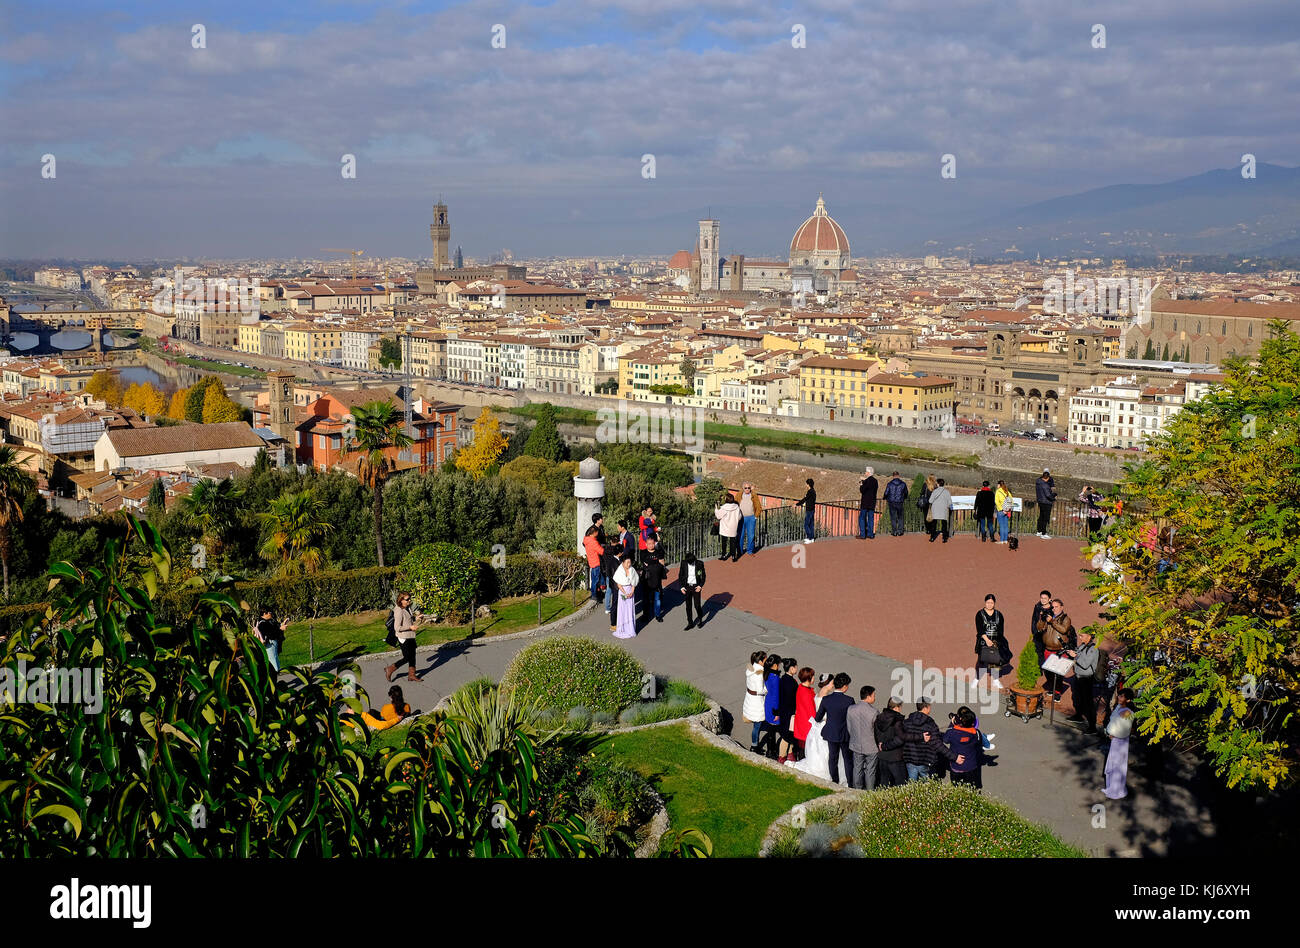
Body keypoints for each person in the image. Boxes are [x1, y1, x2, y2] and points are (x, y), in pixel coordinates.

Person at [786, 673, 834, 780]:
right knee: (824, 750)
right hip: (823, 724)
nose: (833, 685)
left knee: (819, 749)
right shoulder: (825, 697)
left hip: (818, 726)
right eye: (832, 683)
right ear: (827, 683)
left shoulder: (818, 694)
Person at [814, 672, 855, 785]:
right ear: (845, 686)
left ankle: (835, 780)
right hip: (845, 733)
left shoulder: (826, 699)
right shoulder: (849, 700)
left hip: (831, 732)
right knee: (848, 759)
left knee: (833, 758)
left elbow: (818, 718)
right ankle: (850, 783)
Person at [1103, 688, 1136, 799]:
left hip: (1120, 741)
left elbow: (1125, 729)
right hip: (1116, 739)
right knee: (1114, 763)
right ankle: (1112, 786)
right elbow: (1114, 722)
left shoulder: (1127, 712)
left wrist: (1112, 733)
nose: (1119, 697)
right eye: (1119, 695)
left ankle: (1116, 789)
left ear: (1128, 700)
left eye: (1122, 696)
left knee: (1117, 764)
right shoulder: (1119, 707)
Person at [1066, 628, 1100, 733]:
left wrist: (1075, 656)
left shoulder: (1093, 649)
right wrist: (1071, 652)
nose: (1080, 638)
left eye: (1082, 636)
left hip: (1086, 679)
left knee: (1088, 702)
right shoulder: (1082, 646)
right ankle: (1078, 715)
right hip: (1078, 676)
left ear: (1089, 636)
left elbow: (1085, 664)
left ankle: (1092, 726)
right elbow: (1078, 654)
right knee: (1077, 698)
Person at [845, 685, 879, 789]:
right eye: (873, 695)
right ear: (868, 696)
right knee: (870, 771)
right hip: (871, 746)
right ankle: (869, 792)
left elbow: (849, 727)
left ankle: (857, 790)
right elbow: (876, 731)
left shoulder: (851, 709)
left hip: (856, 744)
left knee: (857, 769)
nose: (875, 698)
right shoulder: (874, 712)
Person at [902, 699, 945, 781]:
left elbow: (903, 737)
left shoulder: (907, 722)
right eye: (929, 707)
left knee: (912, 784)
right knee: (927, 784)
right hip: (924, 760)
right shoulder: (930, 724)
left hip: (910, 758)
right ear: (926, 708)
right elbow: (937, 743)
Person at [1042, 597, 1075, 700]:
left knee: (1058, 673)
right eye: (1053, 607)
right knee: (1048, 671)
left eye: (1056, 607)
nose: (1054, 609)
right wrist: (1041, 619)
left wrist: (1052, 622)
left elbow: (1064, 630)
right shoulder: (1049, 617)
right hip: (1048, 649)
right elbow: (1040, 628)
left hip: (1059, 650)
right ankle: (1052, 688)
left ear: (1062, 607)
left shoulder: (1066, 619)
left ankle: (1057, 692)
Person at [943, 706, 984, 789]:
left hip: (956, 766)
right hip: (970, 766)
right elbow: (979, 743)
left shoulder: (952, 732)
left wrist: (952, 724)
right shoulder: (976, 733)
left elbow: (945, 739)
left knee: (956, 787)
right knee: (970, 788)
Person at [384, 592, 421, 683]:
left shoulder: (407, 607)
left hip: (410, 636)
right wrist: (410, 627)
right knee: (407, 657)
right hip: (403, 637)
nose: (409, 600)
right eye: (407, 599)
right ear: (401, 600)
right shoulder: (398, 611)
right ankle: (390, 668)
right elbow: (397, 628)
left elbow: (408, 619)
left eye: (409, 599)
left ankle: (412, 675)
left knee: (412, 656)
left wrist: (416, 618)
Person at [341, 685, 411, 732]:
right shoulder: (363, 716)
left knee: (372, 712)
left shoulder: (341, 718)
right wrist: (397, 719)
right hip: (388, 721)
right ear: (358, 700)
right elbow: (381, 726)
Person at [975, 593, 1008, 690]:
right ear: (985, 603)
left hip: (995, 642)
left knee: (995, 662)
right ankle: (977, 678)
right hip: (983, 642)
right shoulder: (979, 614)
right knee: (981, 661)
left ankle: (995, 680)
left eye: (992, 603)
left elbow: (1001, 630)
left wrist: (995, 642)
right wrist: (987, 640)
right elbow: (980, 629)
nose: (989, 604)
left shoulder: (999, 615)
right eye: (988, 602)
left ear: (994, 603)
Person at [874, 696, 908, 787]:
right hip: (895, 758)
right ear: (896, 707)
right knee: (900, 784)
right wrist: (885, 746)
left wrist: (880, 744)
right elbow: (900, 740)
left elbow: (876, 734)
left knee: (884, 783)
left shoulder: (879, 717)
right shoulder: (898, 721)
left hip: (882, 756)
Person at [743, 651, 768, 754]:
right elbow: (760, 690)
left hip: (749, 698)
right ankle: (754, 747)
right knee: (757, 726)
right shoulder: (759, 674)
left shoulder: (751, 668)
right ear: (761, 661)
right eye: (765, 660)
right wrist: (767, 690)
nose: (766, 662)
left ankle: (755, 745)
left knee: (756, 724)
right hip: (756, 701)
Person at [638, 535, 666, 623]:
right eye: (649, 544)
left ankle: (657, 615)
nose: (651, 545)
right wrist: (656, 562)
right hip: (646, 579)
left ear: (655, 543)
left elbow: (662, 564)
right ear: (646, 544)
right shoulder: (643, 553)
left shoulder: (659, 552)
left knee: (657, 599)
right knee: (645, 598)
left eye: (652, 543)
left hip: (657, 579)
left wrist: (651, 563)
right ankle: (645, 615)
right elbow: (645, 563)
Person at [760, 654, 784, 758]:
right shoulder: (775, 679)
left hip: (768, 704)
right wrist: (777, 712)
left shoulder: (767, 674)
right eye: (778, 664)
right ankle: (771, 751)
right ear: (774, 665)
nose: (779, 666)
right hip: (774, 706)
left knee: (770, 730)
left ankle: (771, 750)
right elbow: (776, 697)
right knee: (773, 731)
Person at [791, 667, 817, 760]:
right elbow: (812, 712)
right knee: (805, 749)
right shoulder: (807, 693)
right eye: (813, 676)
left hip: (801, 721)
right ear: (808, 678)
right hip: (806, 724)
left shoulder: (801, 687)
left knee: (801, 747)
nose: (814, 678)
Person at [777, 657, 800, 763]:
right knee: (787, 736)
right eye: (795, 667)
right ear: (791, 668)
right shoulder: (792, 683)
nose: (797, 668)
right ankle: (782, 756)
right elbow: (793, 699)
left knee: (789, 734)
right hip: (790, 713)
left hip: (783, 711)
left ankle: (790, 753)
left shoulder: (783, 679)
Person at [676, 551, 706, 629]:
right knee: (688, 606)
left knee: (697, 605)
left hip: (696, 587)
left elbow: (703, 576)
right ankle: (690, 623)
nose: (689, 564)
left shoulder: (700, 564)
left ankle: (700, 620)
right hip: (687, 587)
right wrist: (681, 587)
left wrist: (700, 586)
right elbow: (680, 575)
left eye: (690, 562)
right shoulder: (683, 563)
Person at [612, 554, 639, 640]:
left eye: (630, 562)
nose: (629, 564)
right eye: (627, 562)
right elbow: (619, 585)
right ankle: (622, 628)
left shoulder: (632, 570)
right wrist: (625, 593)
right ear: (623, 563)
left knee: (630, 609)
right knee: (623, 610)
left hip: (630, 591)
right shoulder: (619, 571)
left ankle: (630, 628)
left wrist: (632, 591)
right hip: (623, 593)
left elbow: (634, 582)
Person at [255, 606, 288, 673]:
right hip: (269, 645)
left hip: (272, 644)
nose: (271, 614)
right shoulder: (262, 623)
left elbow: (274, 628)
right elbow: (271, 634)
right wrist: (280, 629)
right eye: (270, 612)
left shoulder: (268, 621)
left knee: (274, 658)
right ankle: (274, 677)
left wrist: (282, 625)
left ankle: (276, 675)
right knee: (272, 660)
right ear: (264, 613)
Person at [714, 492, 742, 562]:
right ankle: (733, 556)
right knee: (733, 542)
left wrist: (716, 509)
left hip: (725, 527)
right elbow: (739, 517)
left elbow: (718, 516)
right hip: (733, 527)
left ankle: (724, 556)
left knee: (724, 542)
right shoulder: (737, 507)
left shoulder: (724, 508)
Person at [738, 483, 763, 557]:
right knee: (740, 535)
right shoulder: (739, 495)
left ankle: (750, 551)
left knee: (751, 535)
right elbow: (735, 504)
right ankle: (740, 551)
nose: (747, 489)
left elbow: (759, 507)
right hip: (741, 518)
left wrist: (755, 516)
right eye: (745, 488)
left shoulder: (754, 496)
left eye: (749, 488)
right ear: (743, 488)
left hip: (751, 518)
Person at [582, 525, 606, 603]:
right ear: (594, 533)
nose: (598, 533)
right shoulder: (593, 542)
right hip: (596, 562)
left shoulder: (586, 540)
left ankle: (594, 593)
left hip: (591, 562)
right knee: (595, 580)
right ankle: (594, 595)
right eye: (597, 532)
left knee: (593, 579)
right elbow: (601, 551)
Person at [1031, 589, 1053, 667]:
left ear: (1049, 599)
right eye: (1041, 598)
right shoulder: (1037, 607)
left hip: (1049, 635)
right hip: (1038, 634)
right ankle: (1041, 668)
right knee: (1038, 652)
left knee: (1048, 652)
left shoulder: (1053, 609)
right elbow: (1034, 620)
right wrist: (1034, 631)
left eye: (1045, 598)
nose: (1043, 600)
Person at [927, 477, 952, 543]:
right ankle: (944, 538)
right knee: (944, 525)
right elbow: (950, 502)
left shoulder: (935, 491)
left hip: (935, 510)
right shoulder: (947, 492)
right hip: (943, 510)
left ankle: (932, 537)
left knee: (934, 525)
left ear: (938, 484)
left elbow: (930, 501)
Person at [883, 471, 909, 536]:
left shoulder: (889, 484)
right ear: (898, 475)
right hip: (900, 502)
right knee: (900, 517)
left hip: (891, 502)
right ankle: (900, 531)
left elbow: (886, 493)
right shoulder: (903, 484)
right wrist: (904, 498)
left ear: (893, 476)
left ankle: (894, 531)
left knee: (893, 517)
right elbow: (906, 493)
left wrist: (884, 498)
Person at [858, 467, 878, 539]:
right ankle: (870, 534)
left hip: (865, 502)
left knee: (862, 518)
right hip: (872, 502)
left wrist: (861, 484)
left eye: (866, 472)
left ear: (869, 473)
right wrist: (864, 481)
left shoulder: (866, 481)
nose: (865, 473)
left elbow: (862, 490)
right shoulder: (875, 481)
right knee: (871, 518)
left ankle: (863, 535)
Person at [1035, 469, 1057, 538]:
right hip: (1046, 502)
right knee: (1045, 518)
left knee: (1041, 516)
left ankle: (1039, 531)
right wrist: (1054, 495)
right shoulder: (1045, 485)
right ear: (1047, 477)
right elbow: (1048, 495)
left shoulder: (1038, 482)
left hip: (1040, 501)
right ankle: (1043, 534)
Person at [795, 478, 817, 543]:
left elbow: (805, 499)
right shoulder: (814, 491)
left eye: (806, 484)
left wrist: (797, 504)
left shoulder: (809, 492)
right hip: (812, 509)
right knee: (811, 524)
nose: (806, 485)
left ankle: (809, 538)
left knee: (806, 524)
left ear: (808, 484)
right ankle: (812, 538)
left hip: (809, 510)